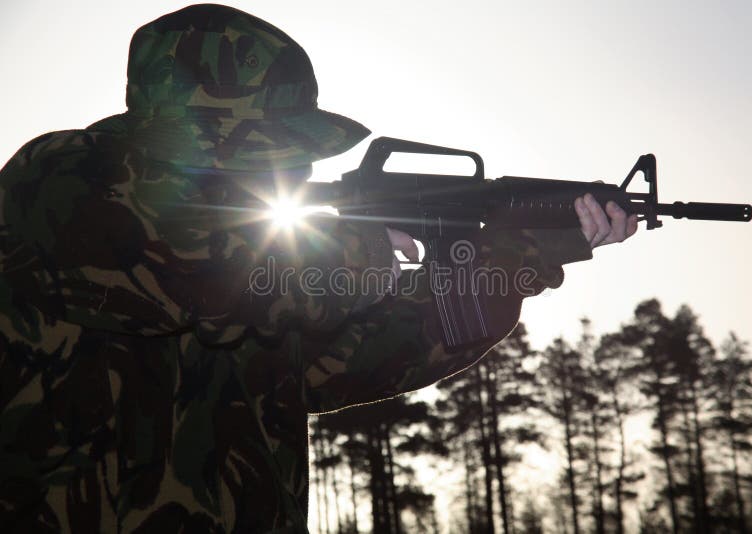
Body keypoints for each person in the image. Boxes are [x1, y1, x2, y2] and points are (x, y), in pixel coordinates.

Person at [0, 4, 636, 533]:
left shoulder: (269, 289)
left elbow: (368, 354)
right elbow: (195, 271)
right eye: (279, 149)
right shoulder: (62, 182)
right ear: (212, 139)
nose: (297, 171)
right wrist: (362, 251)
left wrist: (527, 251)